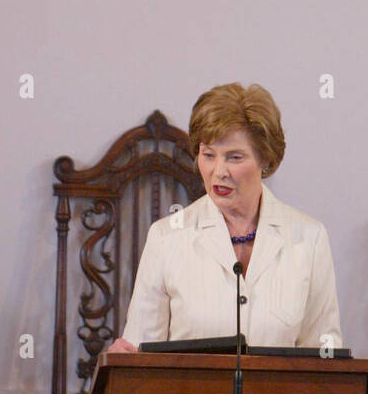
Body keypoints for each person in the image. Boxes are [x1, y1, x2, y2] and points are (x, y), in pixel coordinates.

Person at [109, 83, 341, 350]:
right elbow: (141, 352)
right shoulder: (166, 237)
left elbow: (324, 357)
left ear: (265, 159)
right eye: (208, 155)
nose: (218, 171)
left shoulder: (309, 239)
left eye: (234, 157)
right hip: (186, 393)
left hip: (278, 393)